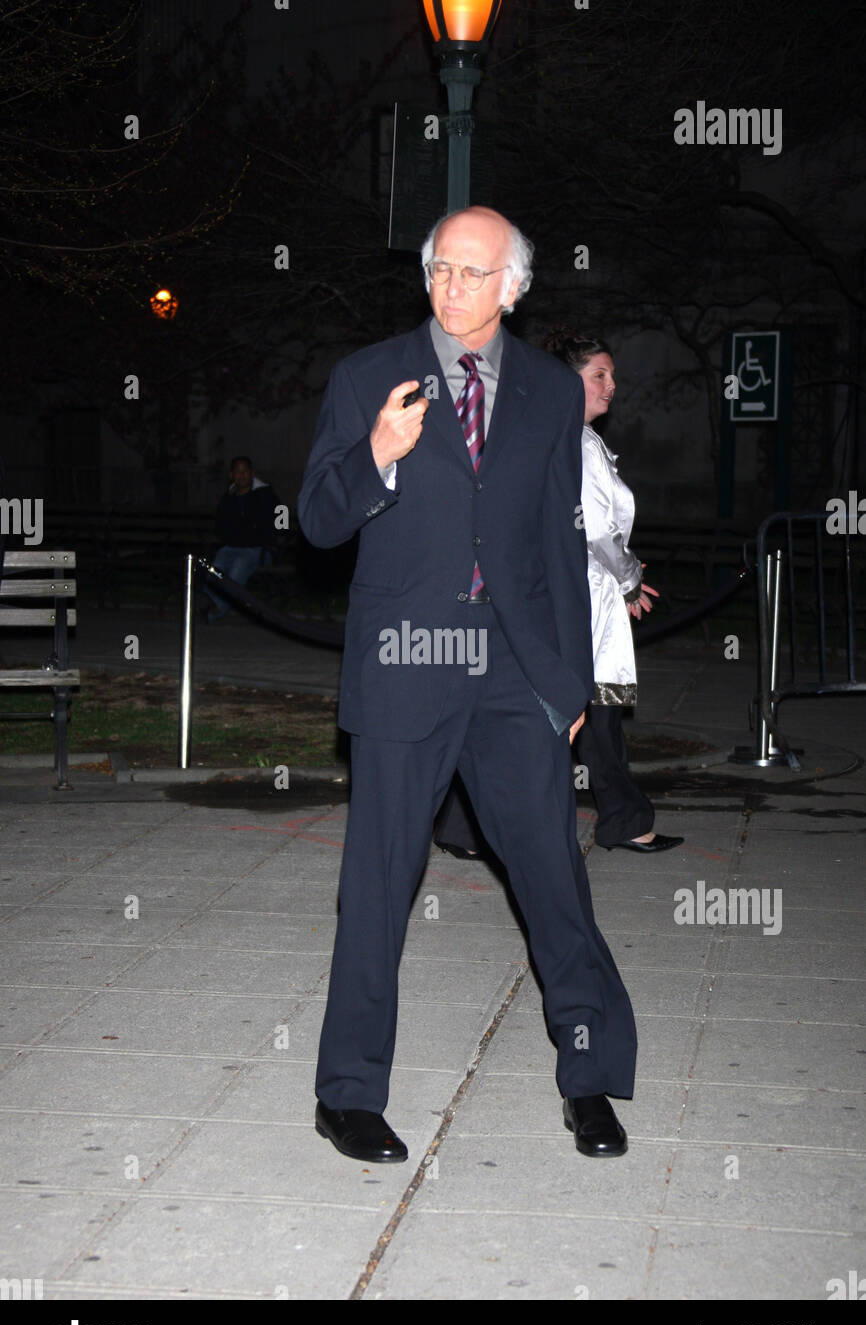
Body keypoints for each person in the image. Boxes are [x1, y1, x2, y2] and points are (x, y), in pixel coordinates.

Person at [298, 206, 637, 1166]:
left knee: (554, 883)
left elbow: (557, 544)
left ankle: (591, 1078)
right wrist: (375, 456)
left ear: (515, 288)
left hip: (514, 672)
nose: (453, 287)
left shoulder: (545, 391)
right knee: (378, 884)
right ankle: (349, 1095)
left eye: (474, 274)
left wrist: (568, 682)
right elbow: (316, 519)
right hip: (407, 655)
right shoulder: (370, 376)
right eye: (441, 268)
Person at [435, 331, 684, 856]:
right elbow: (595, 530)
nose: (611, 386)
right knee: (593, 714)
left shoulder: (561, 434)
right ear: (566, 379)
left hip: (573, 593)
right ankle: (623, 819)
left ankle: (465, 826)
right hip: (580, 599)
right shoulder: (572, 440)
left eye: (613, 376)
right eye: (599, 375)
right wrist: (631, 579)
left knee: (578, 718)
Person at [204, 456, 280, 620]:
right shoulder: (228, 499)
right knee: (214, 569)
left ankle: (215, 611)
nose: (241, 475)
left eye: (245, 471)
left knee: (238, 569)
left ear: (252, 474)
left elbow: (280, 520)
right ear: (231, 475)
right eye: (237, 472)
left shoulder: (266, 495)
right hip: (232, 547)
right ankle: (215, 604)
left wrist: (273, 539)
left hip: (257, 550)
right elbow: (221, 526)